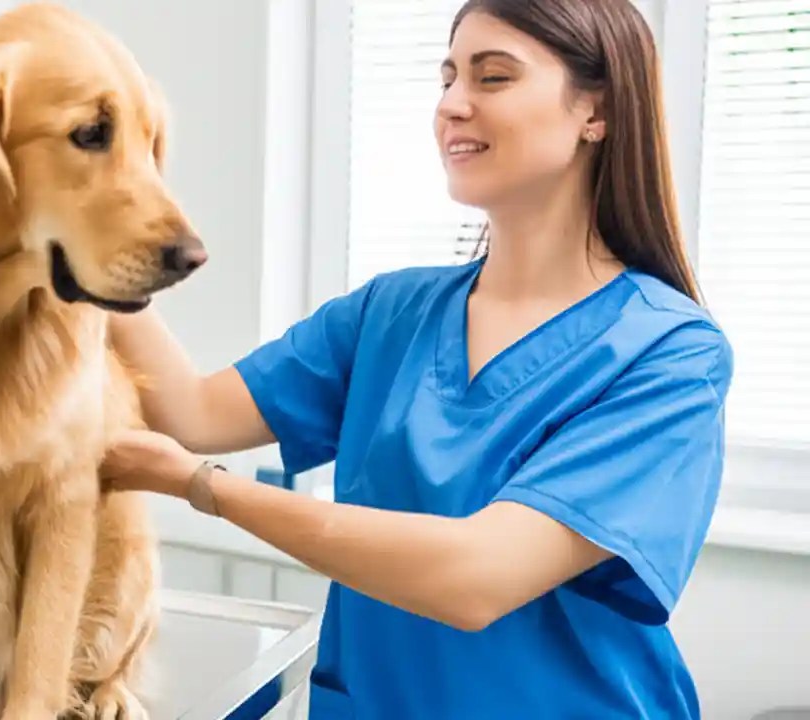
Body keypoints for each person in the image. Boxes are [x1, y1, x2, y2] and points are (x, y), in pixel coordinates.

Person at [99, 0, 733, 718]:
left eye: (493, 78)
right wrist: (95, 262)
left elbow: (476, 578)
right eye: (447, 77)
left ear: (598, 109)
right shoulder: (391, 313)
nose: (452, 105)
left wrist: (201, 487)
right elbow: (195, 411)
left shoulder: (668, 355)